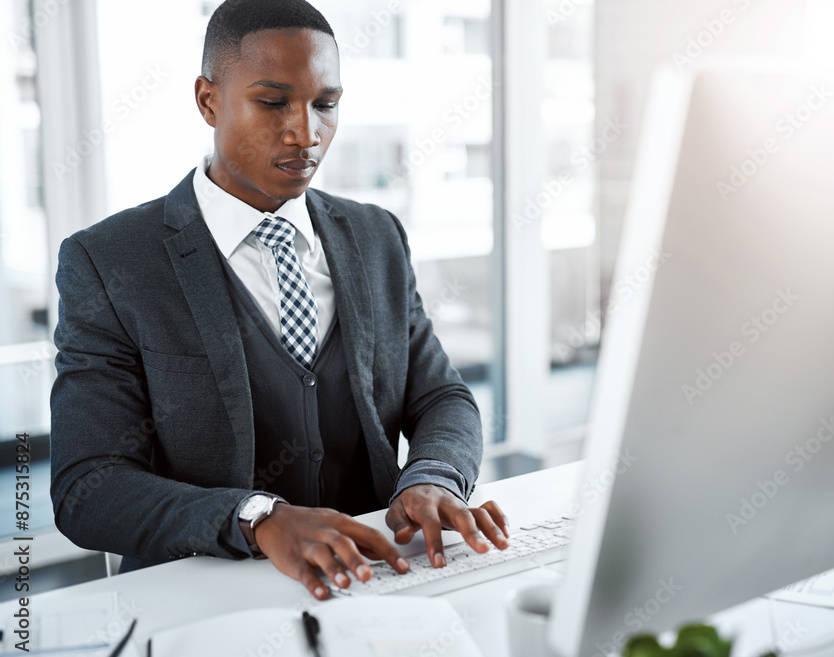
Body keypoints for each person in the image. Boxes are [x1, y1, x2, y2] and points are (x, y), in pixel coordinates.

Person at [49, 0, 508, 601]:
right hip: (206, 600)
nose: (306, 133)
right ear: (208, 100)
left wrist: (433, 478)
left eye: (326, 104)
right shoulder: (109, 261)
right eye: (272, 103)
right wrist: (258, 518)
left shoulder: (376, 237)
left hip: (382, 584)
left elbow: (441, 396)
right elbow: (89, 486)